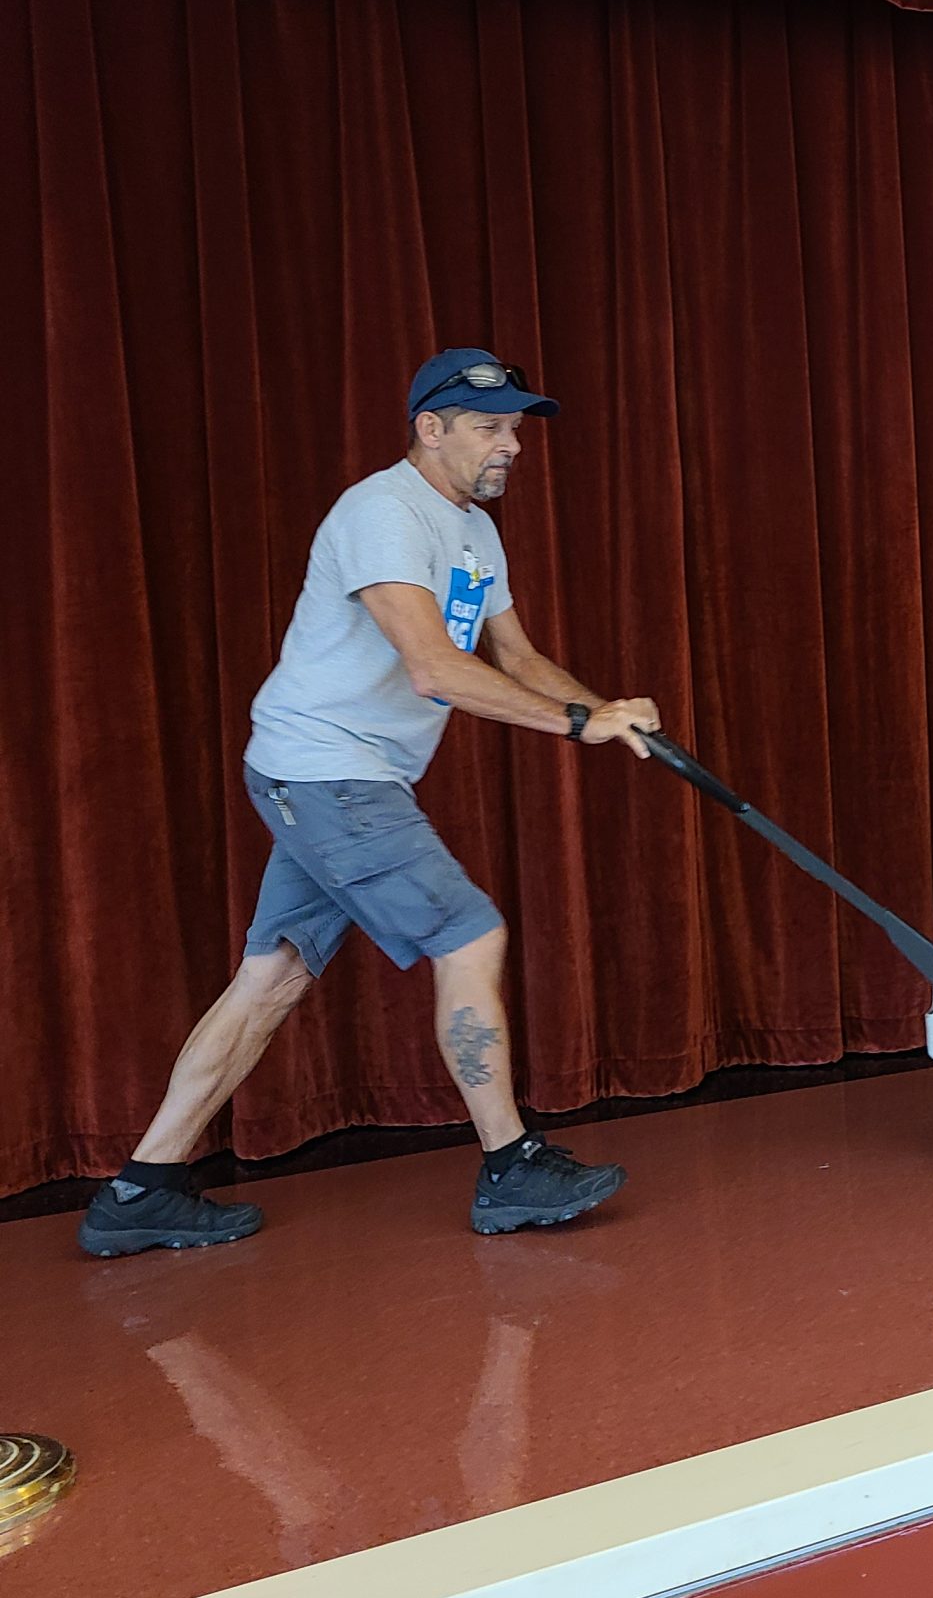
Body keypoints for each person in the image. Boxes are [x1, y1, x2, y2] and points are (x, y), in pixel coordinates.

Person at [80, 349, 665, 1257]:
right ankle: (510, 1166)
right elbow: (436, 668)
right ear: (429, 429)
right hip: (327, 772)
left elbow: (513, 656)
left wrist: (607, 714)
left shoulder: (472, 530)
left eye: (515, 429)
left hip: (333, 776)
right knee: (471, 934)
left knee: (272, 976)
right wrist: (575, 727)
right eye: (489, 428)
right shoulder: (384, 514)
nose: (510, 446)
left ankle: (141, 1187)